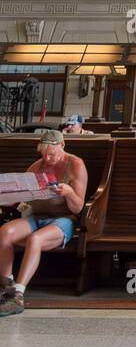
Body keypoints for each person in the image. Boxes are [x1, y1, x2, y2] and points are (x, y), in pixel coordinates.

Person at [0, 131, 87, 317]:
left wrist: (69, 193)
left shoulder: (76, 164)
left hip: (65, 219)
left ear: (62, 145)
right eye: (44, 154)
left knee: (35, 239)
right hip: (37, 216)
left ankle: (18, 295)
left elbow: (78, 207)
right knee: (5, 232)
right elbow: (20, 201)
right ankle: (6, 287)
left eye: (52, 154)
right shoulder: (36, 167)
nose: (48, 158)